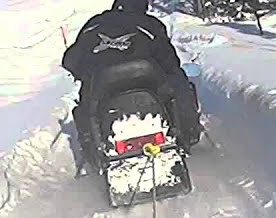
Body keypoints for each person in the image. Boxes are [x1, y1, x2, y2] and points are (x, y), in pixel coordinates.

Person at [61, 0, 203, 163]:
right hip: (148, 84)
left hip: (103, 87)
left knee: (86, 101)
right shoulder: (150, 24)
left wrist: (85, 73)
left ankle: (92, 149)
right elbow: (170, 62)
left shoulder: (94, 24)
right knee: (178, 81)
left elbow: (70, 61)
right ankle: (187, 131)